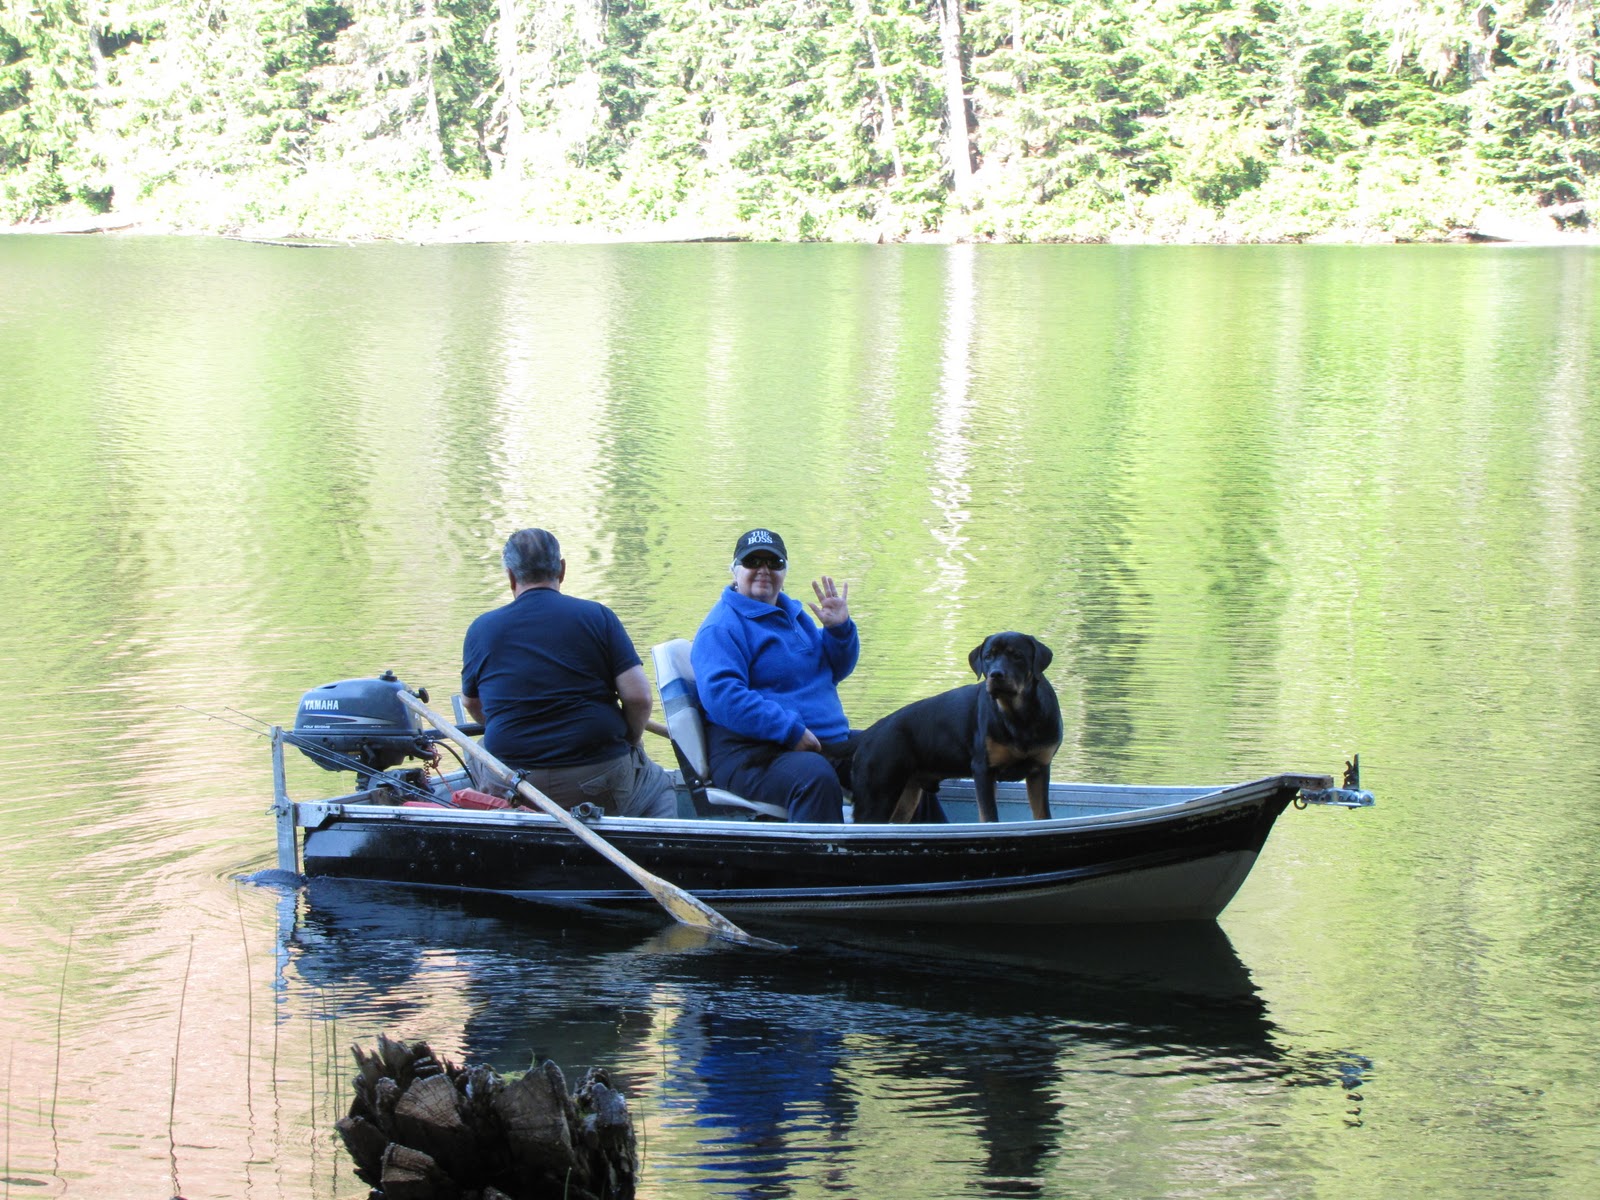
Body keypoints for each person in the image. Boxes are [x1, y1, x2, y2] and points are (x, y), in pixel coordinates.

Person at [461, 528, 677, 818]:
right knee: (660, 784)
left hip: (514, 785)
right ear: (561, 570)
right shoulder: (598, 617)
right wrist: (631, 739)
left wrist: (506, 725)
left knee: (477, 752)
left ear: (511, 576)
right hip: (598, 778)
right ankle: (658, 854)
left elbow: (471, 703)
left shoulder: (481, 629)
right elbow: (638, 697)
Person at [690, 528, 857, 822]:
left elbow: (831, 671)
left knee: (896, 753)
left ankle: (925, 852)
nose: (763, 570)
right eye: (753, 562)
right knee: (814, 777)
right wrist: (789, 731)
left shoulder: (793, 614)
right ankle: (819, 865)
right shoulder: (721, 628)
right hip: (748, 753)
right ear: (735, 570)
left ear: (784, 570)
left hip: (824, 740)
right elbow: (723, 696)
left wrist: (839, 631)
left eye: (774, 563)